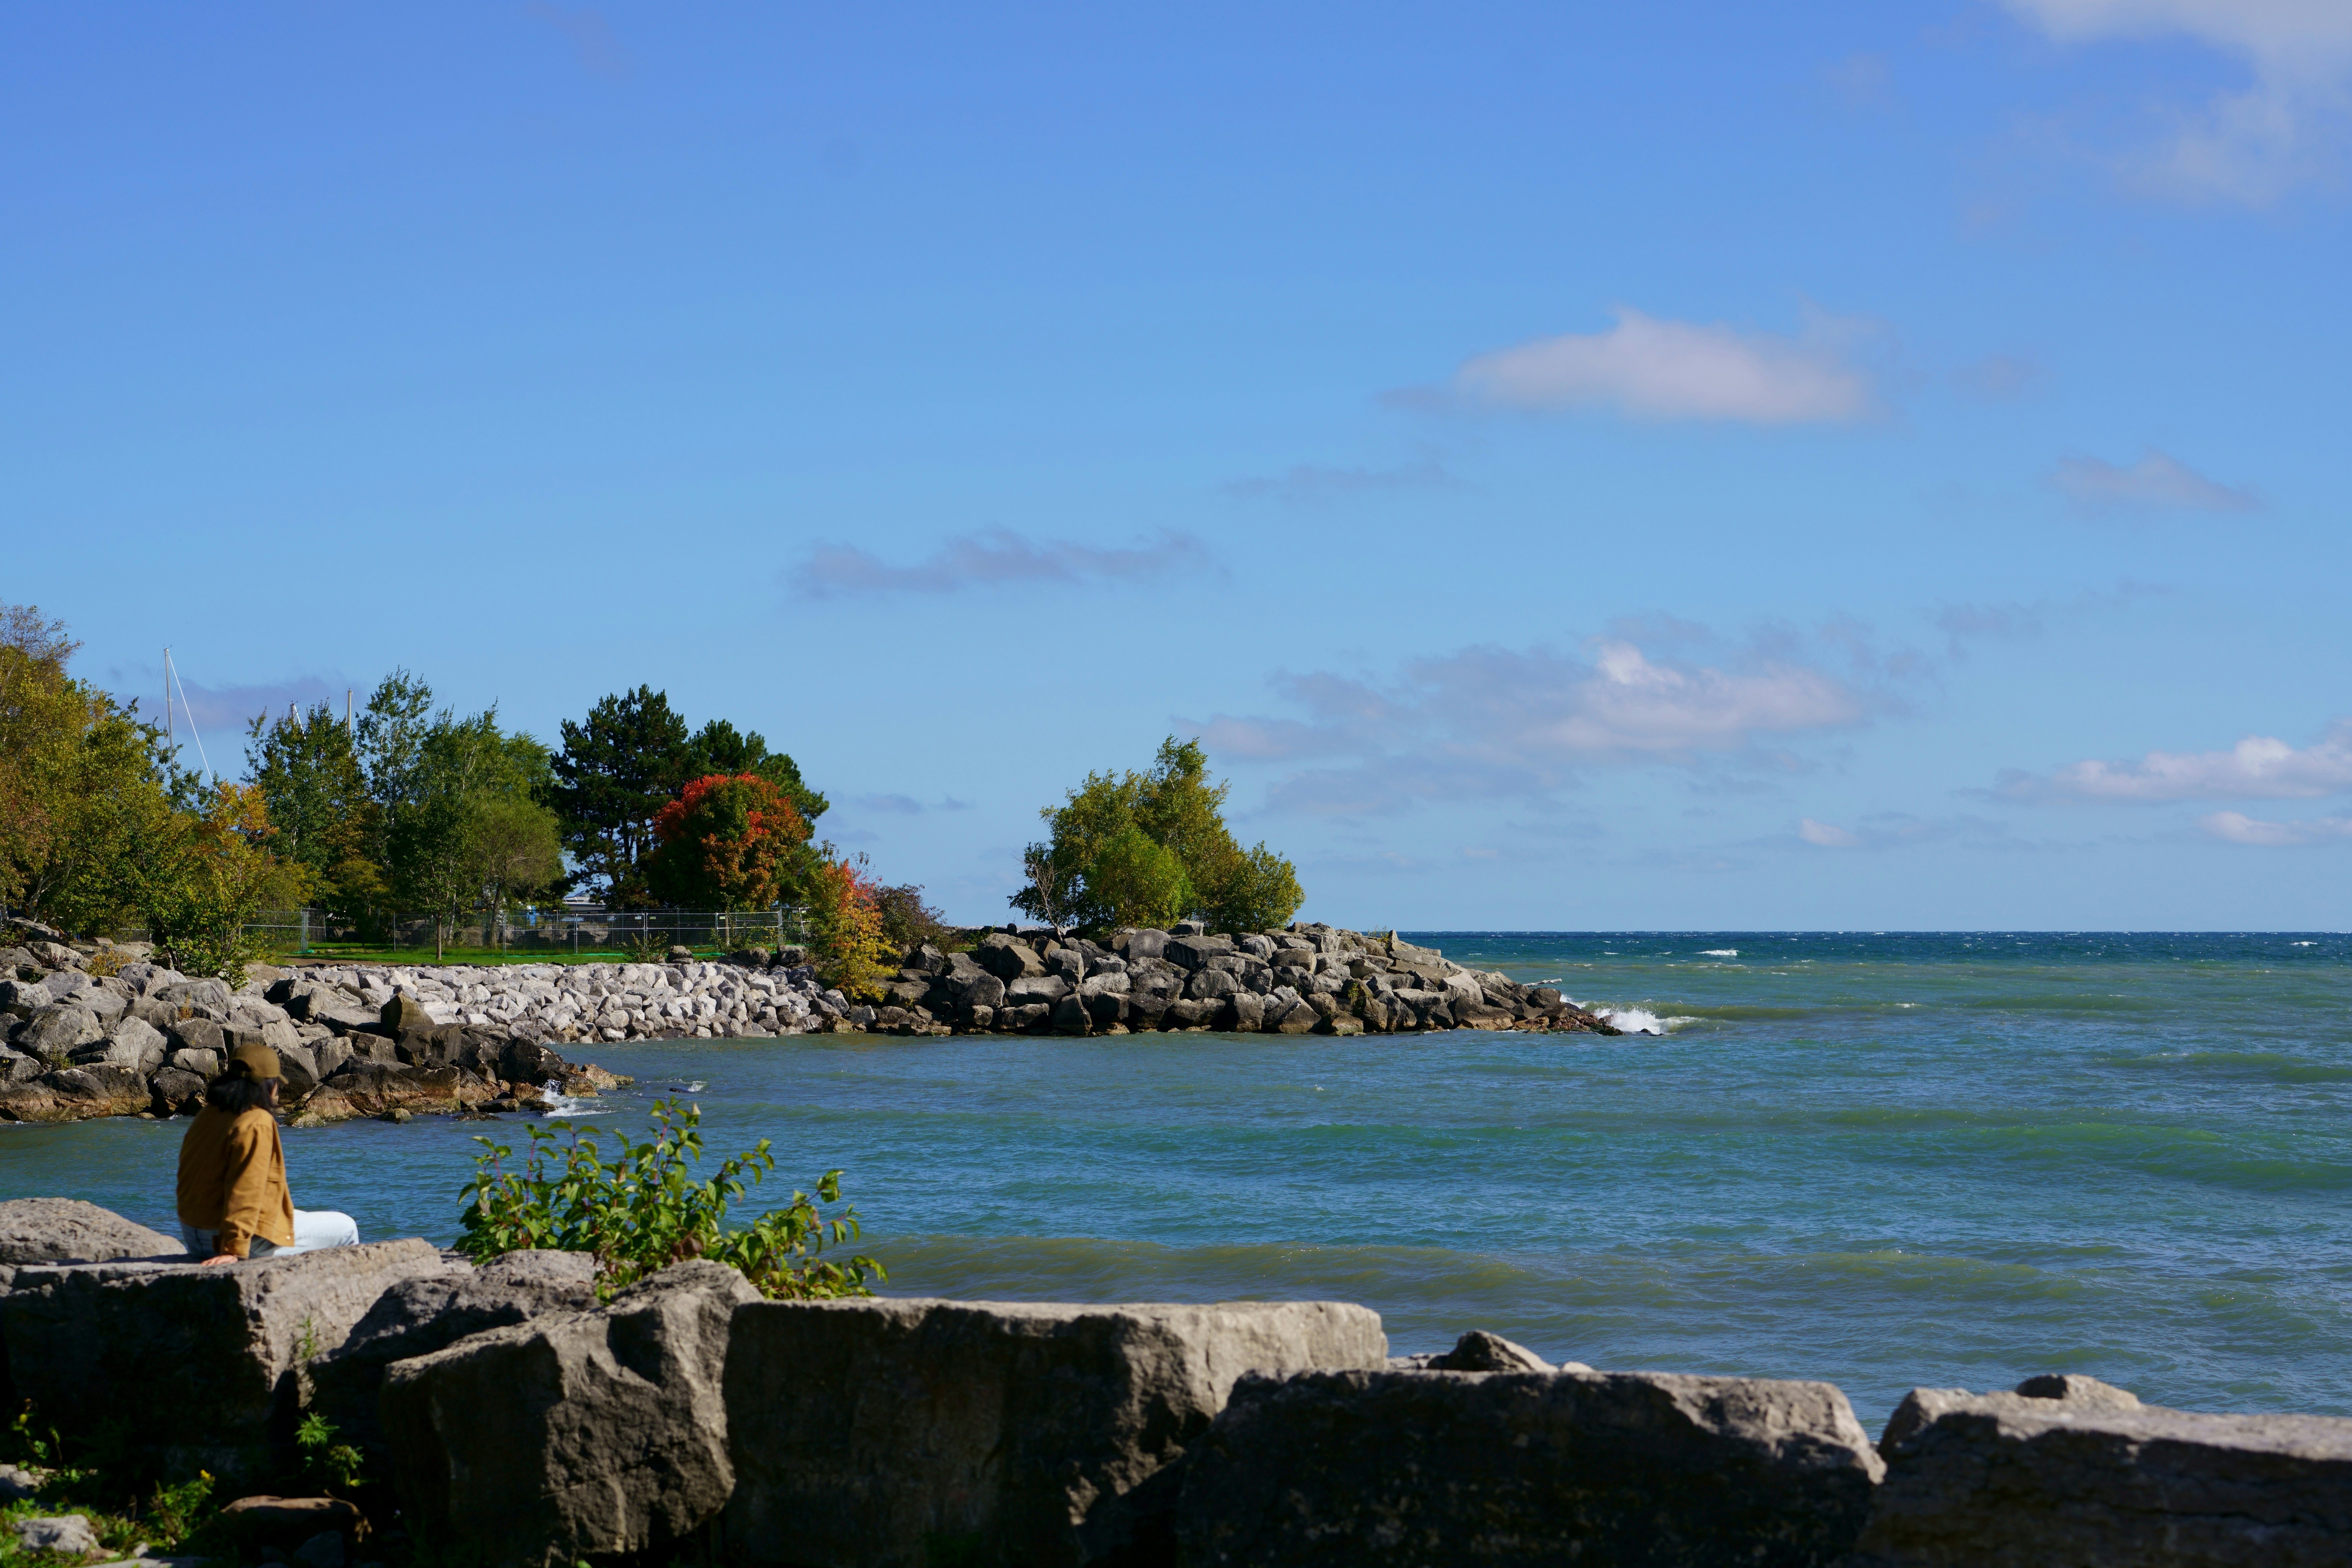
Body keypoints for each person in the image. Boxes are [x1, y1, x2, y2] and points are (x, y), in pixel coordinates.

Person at [175, 1041, 360, 1263]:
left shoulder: (209, 1115)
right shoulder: (258, 1122)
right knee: (346, 1228)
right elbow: (246, 1188)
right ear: (268, 1086)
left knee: (298, 1217)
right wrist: (234, 1249)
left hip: (194, 1235)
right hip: (228, 1241)